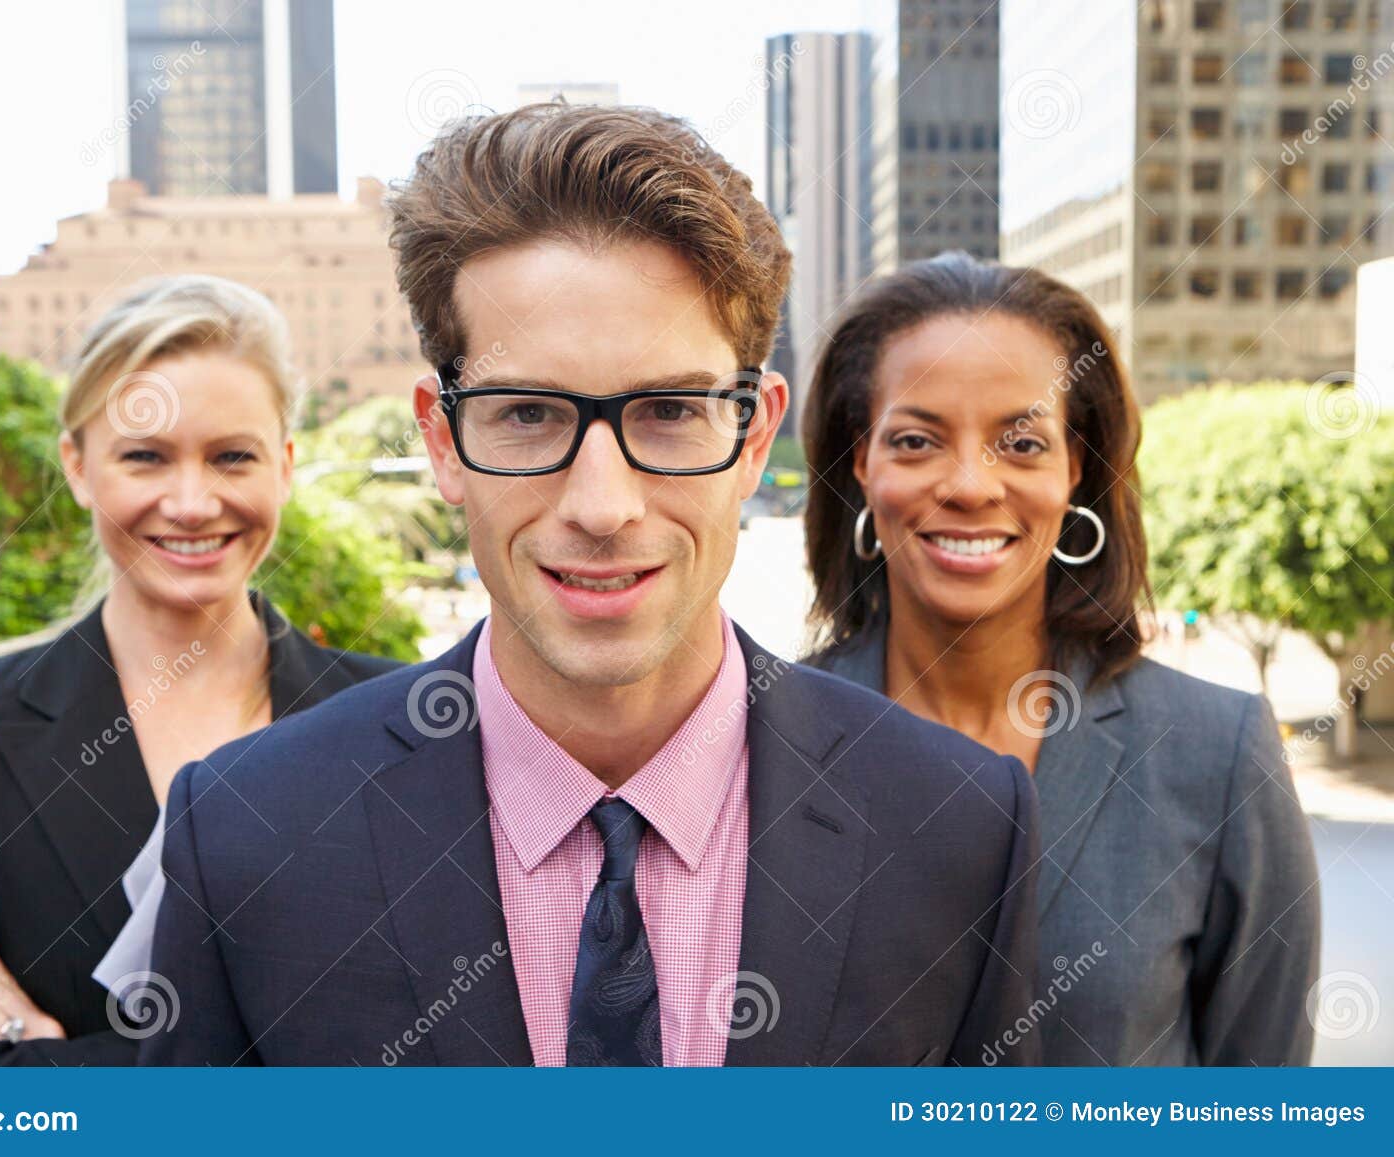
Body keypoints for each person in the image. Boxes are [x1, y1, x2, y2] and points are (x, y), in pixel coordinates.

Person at [140, 105, 1041, 1068]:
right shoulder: (247, 832)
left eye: (668, 410)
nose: (603, 505)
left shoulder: (961, 828)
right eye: (527, 412)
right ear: (443, 441)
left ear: (756, 436)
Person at [0, 275, 400, 1065]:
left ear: (283, 465)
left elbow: (431, 1050)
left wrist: (45, 1052)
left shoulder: (391, 716)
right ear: (77, 467)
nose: (190, 501)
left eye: (231, 456)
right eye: (145, 456)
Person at [803, 251, 1320, 1065]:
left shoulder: (1218, 753)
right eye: (915, 439)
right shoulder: (769, 740)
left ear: (1076, 469)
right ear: (860, 462)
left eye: (1021, 442)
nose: (971, 484)